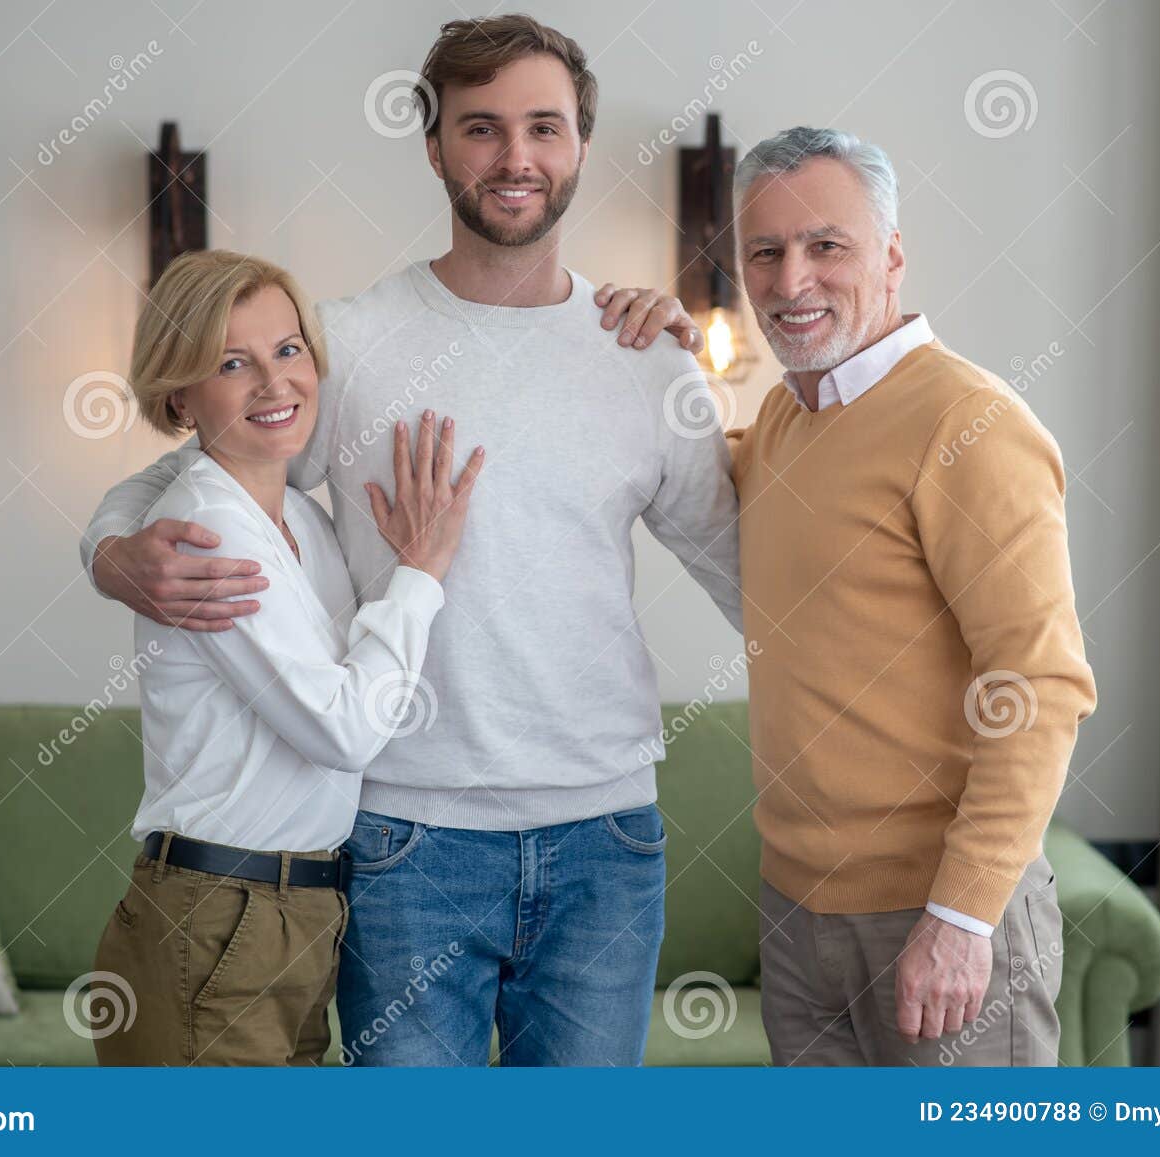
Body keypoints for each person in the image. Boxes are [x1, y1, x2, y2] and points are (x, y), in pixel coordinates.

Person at [80, 15, 739, 1067]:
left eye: (543, 128)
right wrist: (111, 550)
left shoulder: (646, 354)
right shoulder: (347, 343)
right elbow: (193, 467)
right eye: (481, 129)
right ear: (434, 145)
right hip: (403, 842)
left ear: (579, 144)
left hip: (606, 839)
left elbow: (754, 575)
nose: (514, 158)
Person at [726, 127, 1097, 1065]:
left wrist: (963, 913)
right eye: (764, 252)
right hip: (795, 916)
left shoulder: (970, 423)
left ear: (891, 255)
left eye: (826, 245)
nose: (790, 278)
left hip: (939, 918)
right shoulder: (781, 417)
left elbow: (1042, 685)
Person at [91, 249, 482, 1065]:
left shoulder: (299, 518)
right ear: (180, 392)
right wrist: (419, 575)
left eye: (288, 350)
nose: (276, 384)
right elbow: (343, 730)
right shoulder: (212, 530)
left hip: (290, 917)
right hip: (216, 914)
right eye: (233, 364)